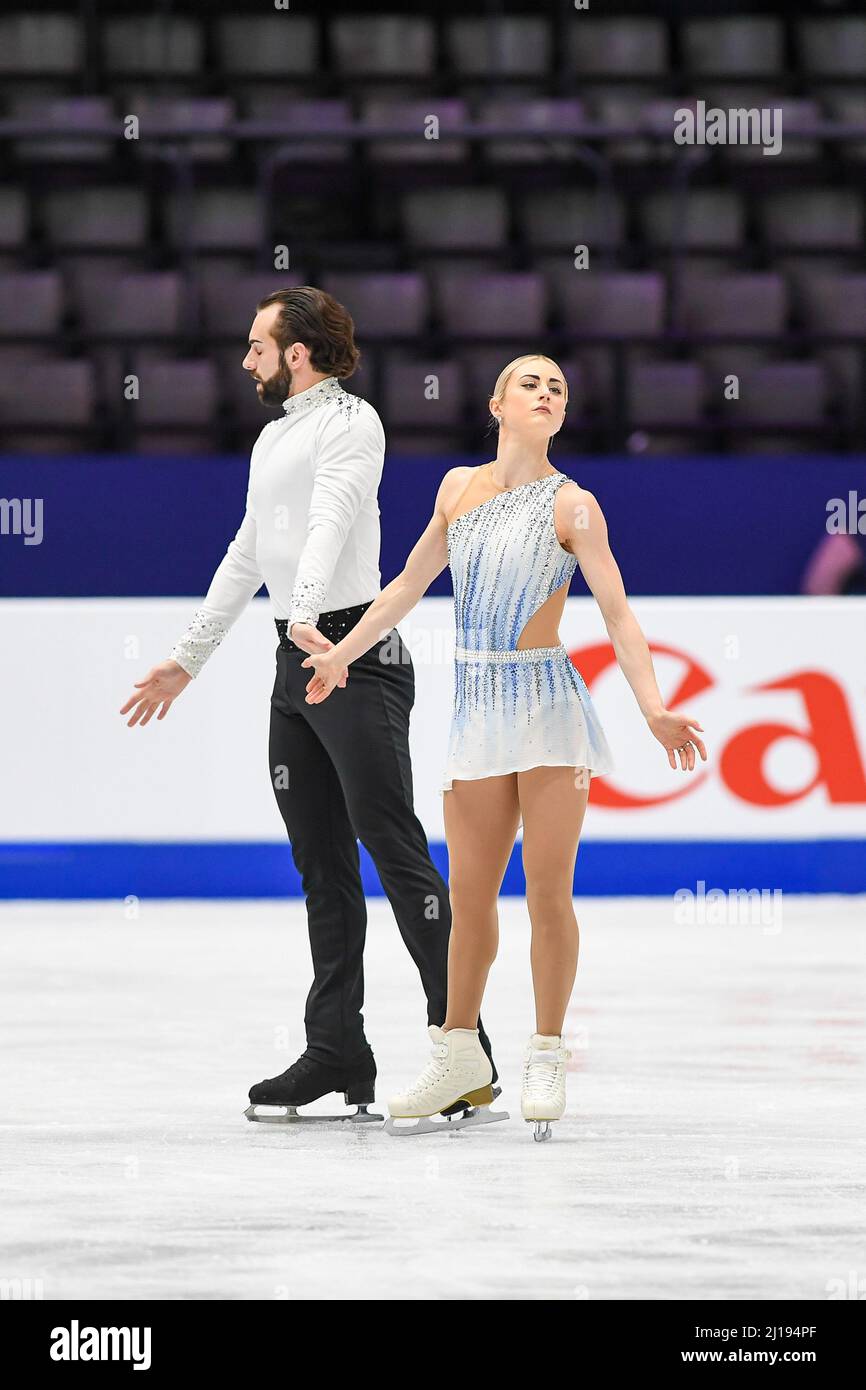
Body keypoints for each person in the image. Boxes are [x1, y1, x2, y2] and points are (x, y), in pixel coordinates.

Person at [299, 353, 708, 1139]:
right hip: (479, 708)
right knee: (470, 896)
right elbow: (408, 584)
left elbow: (619, 615)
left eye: (558, 387)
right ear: (497, 403)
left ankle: (547, 1050)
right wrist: (343, 653)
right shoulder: (458, 489)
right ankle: (458, 1052)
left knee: (548, 892)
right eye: (533, 382)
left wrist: (653, 708)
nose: (548, 393)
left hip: (547, 708)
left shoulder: (575, 506)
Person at [118, 286, 497, 1122]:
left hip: (355, 650)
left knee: (396, 855)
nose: (246, 359)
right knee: (322, 870)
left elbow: (330, 521)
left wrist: (307, 619)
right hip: (300, 661)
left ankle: (464, 1049)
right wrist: (188, 660)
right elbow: (249, 551)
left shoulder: (351, 423)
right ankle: (337, 1050)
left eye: (257, 345)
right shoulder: (272, 436)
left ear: (296, 353)